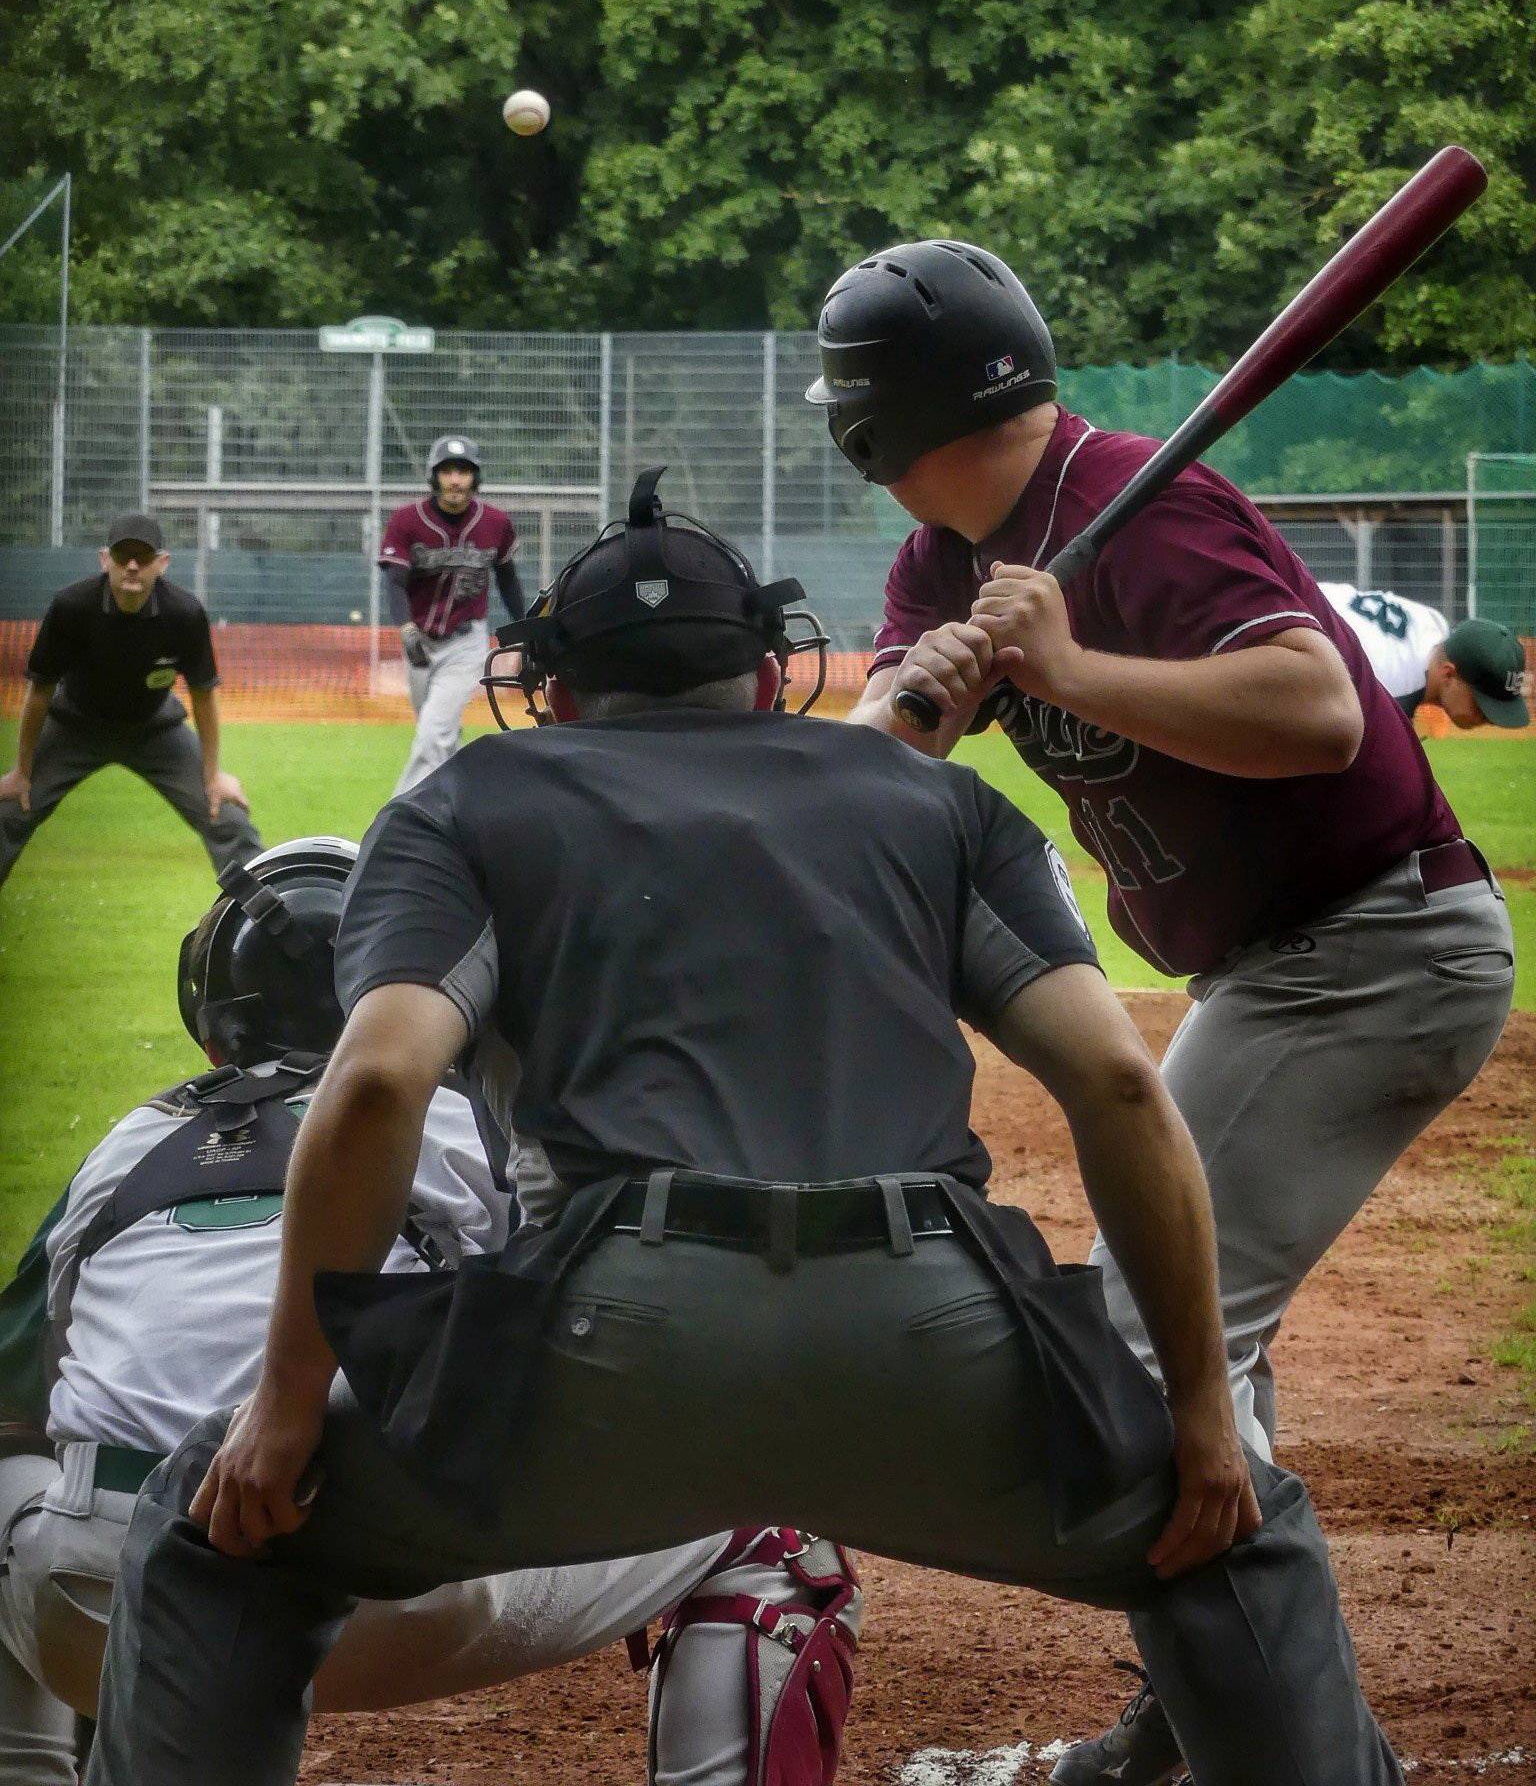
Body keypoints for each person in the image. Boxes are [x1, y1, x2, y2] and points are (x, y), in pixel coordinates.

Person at [86, 472, 1401, 1786]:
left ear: (552, 689)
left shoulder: (469, 800)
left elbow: (375, 1088)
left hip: (602, 1351)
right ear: (773, 675)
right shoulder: (942, 807)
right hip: (933, 1330)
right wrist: (1198, 1422)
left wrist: (287, 1406)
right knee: (1236, 1535)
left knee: (216, 1535)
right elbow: (1117, 1084)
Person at [807, 239, 1515, 1783]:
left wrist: (1069, 664)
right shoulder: (945, 562)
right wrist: (915, 696)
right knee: (1194, 1344)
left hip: (1376, 944)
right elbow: (868, 772)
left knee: (1149, 1341)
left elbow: (1323, 718)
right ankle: (1196, 1735)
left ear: (874, 426)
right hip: (1276, 971)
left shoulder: (1150, 497)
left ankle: (1289, 1756)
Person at [0, 836, 858, 1786]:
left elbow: (16, 1409)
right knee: (772, 1520)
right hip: (386, 1596)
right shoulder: (460, 1121)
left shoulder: (122, 1151)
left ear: (210, 1033)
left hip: (100, 1606)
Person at [0, 513, 261, 890]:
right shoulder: (71, 607)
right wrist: (21, 773)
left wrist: (213, 776)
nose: (133, 566)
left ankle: (269, 923)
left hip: (155, 729)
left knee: (228, 819)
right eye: (124, 557)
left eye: (144, 557)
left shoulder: (184, 614)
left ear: (163, 563)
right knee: (9, 812)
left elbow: (204, 697)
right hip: (74, 727)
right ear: (105, 559)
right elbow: (39, 692)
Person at [379, 434, 526, 794]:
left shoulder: (495, 523)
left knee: (433, 733)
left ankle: (399, 812)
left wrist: (525, 632)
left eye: (463, 471)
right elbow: (394, 582)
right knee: (438, 737)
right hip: (421, 643)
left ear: (475, 478)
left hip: (466, 642)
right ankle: (468, 796)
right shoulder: (407, 520)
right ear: (435, 477)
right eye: (448, 471)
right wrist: (407, 629)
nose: (456, 479)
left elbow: (508, 580)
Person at [1318, 584, 1529, 729]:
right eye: (1482, 706)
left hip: (1315, 597)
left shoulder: (1434, 624)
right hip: (1296, 622)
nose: (1490, 720)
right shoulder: (1393, 689)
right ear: (1447, 674)